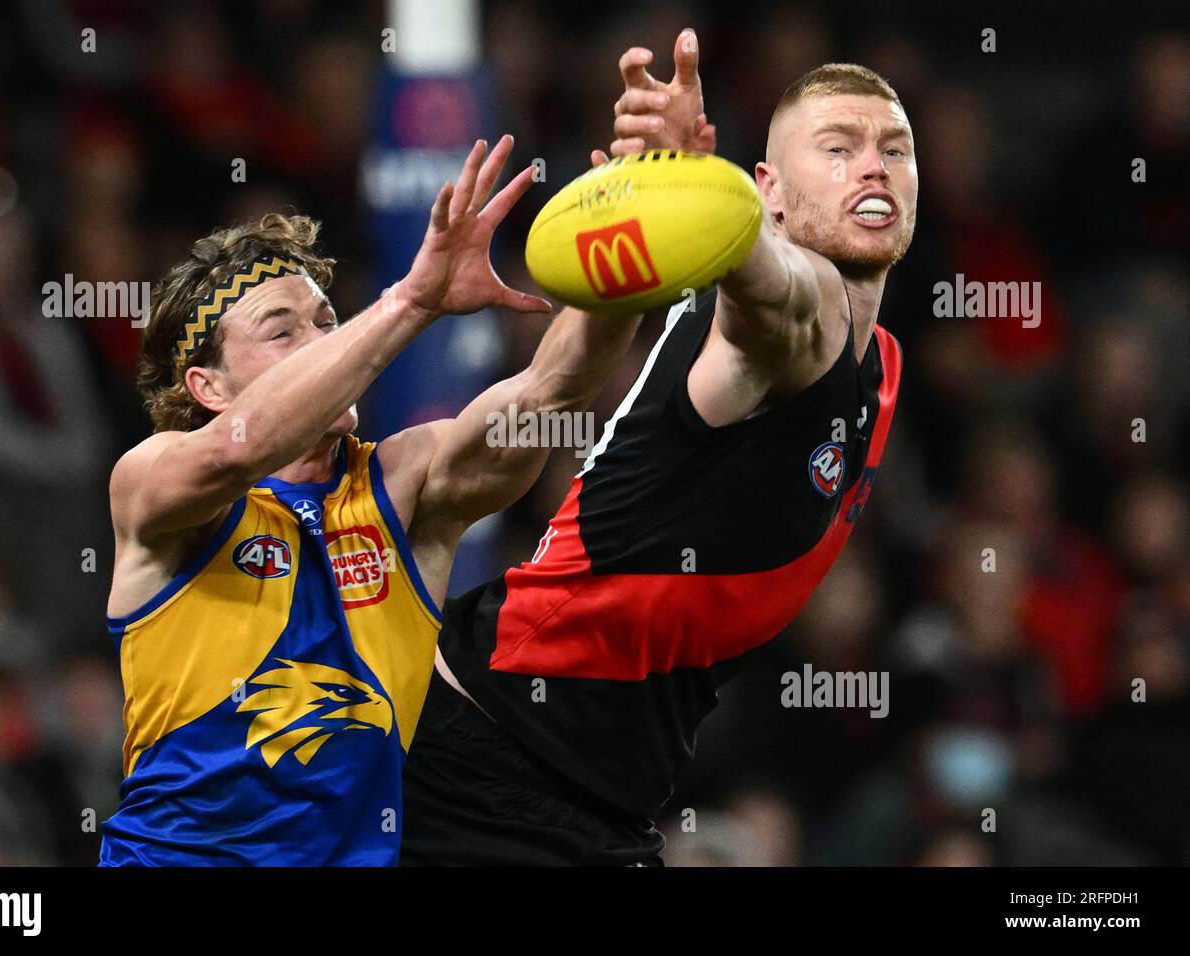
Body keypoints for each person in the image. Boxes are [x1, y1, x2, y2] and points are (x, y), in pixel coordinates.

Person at [401, 31, 913, 865]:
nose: (875, 167)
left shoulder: (882, 364)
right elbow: (769, 291)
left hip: (591, 798)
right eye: (839, 148)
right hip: (485, 758)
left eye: (896, 149)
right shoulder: (797, 312)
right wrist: (695, 191)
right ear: (770, 195)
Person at [98, 136, 642, 865]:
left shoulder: (404, 481)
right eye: (281, 331)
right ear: (208, 388)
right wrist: (414, 301)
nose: (324, 342)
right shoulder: (154, 481)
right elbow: (236, 449)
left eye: (326, 321)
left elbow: (551, 392)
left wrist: (628, 253)